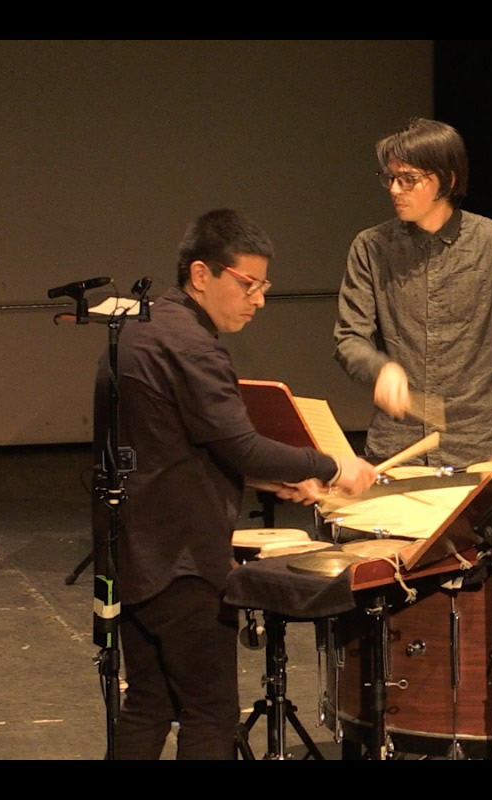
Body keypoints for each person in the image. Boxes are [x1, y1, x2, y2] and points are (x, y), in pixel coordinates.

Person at [91, 209, 375, 759]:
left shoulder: (137, 327)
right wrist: (333, 468)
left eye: (265, 287)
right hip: (182, 560)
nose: (259, 300)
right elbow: (239, 444)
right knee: (210, 713)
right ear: (202, 274)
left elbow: (181, 442)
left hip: (129, 549)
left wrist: (273, 478)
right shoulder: (193, 347)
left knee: (149, 701)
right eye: (249, 285)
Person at [333, 117, 492, 469]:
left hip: (474, 448)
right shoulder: (372, 247)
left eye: (408, 179)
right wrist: (381, 368)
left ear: (447, 180)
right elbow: (349, 337)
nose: (394, 189)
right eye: (390, 178)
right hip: (397, 447)